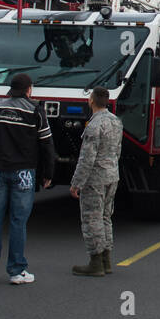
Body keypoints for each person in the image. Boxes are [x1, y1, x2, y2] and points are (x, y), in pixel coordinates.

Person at [0, 73, 56, 284]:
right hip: (24, 173)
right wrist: (48, 174)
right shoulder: (36, 110)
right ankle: (17, 271)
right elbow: (46, 144)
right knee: (18, 221)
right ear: (28, 90)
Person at [70, 87, 123, 277]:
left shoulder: (94, 125)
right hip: (112, 174)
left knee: (92, 218)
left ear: (91, 100)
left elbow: (87, 158)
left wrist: (77, 183)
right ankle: (107, 260)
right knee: (106, 217)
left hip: (95, 177)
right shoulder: (116, 122)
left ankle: (96, 262)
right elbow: (117, 151)